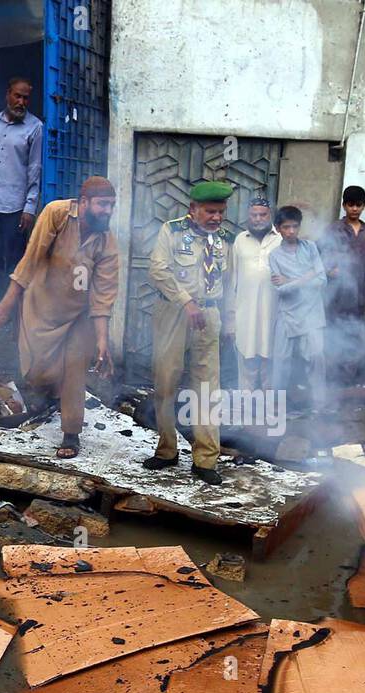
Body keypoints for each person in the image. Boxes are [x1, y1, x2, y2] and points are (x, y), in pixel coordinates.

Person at [0, 177, 119, 459]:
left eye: (111, 206)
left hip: (79, 316)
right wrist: (6, 305)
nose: (107, 211)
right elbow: (31, 258)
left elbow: (103, 297)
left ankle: (71, 433)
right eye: (103, 204)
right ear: (84, 202)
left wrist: (103, 342)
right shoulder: (57, 214)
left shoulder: (107, 243)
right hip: (41, 307)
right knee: (39, 372)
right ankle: (50, 394)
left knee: (75, 368)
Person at [144, 180, 237, 485]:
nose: (216, 217)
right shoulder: (171, 231)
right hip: (173, 311)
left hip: (208, 314)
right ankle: (167, 449)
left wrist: (229, 320)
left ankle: (205, 459)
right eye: (210, 211)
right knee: (166, 380)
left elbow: (230, 284)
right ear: (193, 209)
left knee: (208, 386)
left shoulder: (226, 240)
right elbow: (158, 270)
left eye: (220, 212)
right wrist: (186, 302)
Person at [0, 77, 43, 301]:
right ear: (8, 94)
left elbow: (35, 169)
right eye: (17, 96)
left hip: (15, 207)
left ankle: (11, 312)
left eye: (26, 98)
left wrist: (29, 207)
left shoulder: (35, 128)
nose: (21, 102)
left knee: (14, 261)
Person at [268, 206, 329, 416]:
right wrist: (307, 276)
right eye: (286, 227)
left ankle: (318, 404)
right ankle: (277, 404)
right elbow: (280, 288)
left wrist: (292, 280)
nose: (291, 231)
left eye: (295, 226)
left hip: (312, 313)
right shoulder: (274, 256)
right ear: (278, 229)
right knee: (281, 361)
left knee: (316, 357)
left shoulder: (310, 247)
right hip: (287, 314)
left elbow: (322, 280)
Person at [319, 185, 365, 384]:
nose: (355, 209)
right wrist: (330, 270)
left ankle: (349, 377)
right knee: (334, 331)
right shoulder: (334, 229)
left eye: (359, 205)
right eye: (351, 205)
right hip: (337, 292)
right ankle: (331, 377)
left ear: (364, 206)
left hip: (358, 292)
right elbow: (321, 256)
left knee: (355, 332)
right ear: (344, 206)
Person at [227, 198, 281, 394]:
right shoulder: (240, 240)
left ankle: (267, 408)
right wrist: (230, 318)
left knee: (270, 361)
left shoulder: (281, 239)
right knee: (246, 359)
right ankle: (247, 407)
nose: (258, 219)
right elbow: (232, 280)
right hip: (245, 314)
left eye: (263, 215)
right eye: (254, 215)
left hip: (273, 315)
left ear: (270, 215)